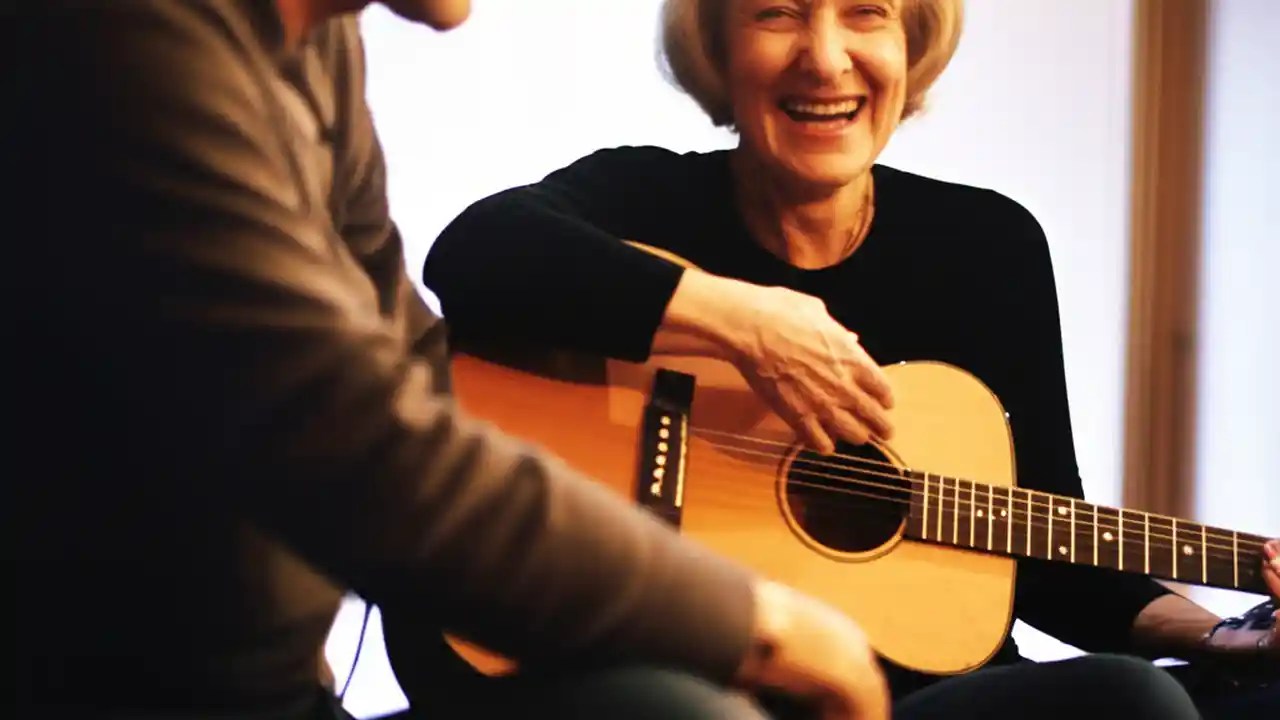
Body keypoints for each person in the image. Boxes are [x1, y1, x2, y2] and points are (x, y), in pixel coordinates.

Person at [11, 1, 909, 719]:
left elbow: (408, 363)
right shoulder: (126, 39)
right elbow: (353, 442)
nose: (825, 57)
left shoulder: (316, 49)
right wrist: (767, 625)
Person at [420, 0, 1280, 718]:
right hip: (691, 686)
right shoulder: (645, 200)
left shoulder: (989, 248)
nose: (826, 60)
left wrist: (1220, 632)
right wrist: (747, 324)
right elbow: (474, 252)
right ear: (717, 47)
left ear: (911, 43)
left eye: (865, 12)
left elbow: (1050, 552)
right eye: (778, 13)